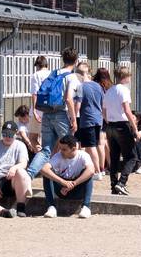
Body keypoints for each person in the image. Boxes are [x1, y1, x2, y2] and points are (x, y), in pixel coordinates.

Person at [26, 48, 80, 179]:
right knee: (70, 146)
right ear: (76, 61)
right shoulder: (72, 77)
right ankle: (70, 176)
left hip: (47, 113)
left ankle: (29, 174)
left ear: (63, 59)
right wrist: (74, 119)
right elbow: (68, 99)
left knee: (46, 150)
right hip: (61, 114)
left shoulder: (53, 74)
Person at [101, 65, 139, 195]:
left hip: (110, 126)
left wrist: (108, 121)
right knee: (132, 157)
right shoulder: (124, 90)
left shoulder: (109, 91)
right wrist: (134, 128)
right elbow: (127, 110)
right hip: (122, 125)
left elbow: (104, 111)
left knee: (114, 156)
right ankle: (122, 182)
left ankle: (113, 185)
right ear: (126, 77)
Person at [39, 135, 95, 218]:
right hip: (61, 189)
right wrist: (63, 182)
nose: (61, 151)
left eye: (64, 149)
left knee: (88, 174)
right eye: (60, 148)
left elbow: (91, 170)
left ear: (73, 149)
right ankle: (51, 207)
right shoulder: (58, 156)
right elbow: (44, 169)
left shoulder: (83, 155)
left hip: (78, 189)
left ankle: (86, 207)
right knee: (48, 175)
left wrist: (74, 184)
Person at [73, 61, 105, 175]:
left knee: (90, 147)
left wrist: (73, 118)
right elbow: (103, 103)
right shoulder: (98, 86)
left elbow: (77, 105)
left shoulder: (79, 87)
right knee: (92, 146)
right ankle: (94, 169)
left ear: (79, 74)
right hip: (98, 119)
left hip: (87, 120)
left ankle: (97, 171)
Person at [26, 55, 49, 151]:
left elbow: (35, 93)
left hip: (39, 109)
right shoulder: (52, 74)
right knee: (48, 139)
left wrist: (35, 111)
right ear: (46, 64)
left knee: (32, 137)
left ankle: (41, 159)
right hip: (51, 109)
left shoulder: (36, 75)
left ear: (37, 65)